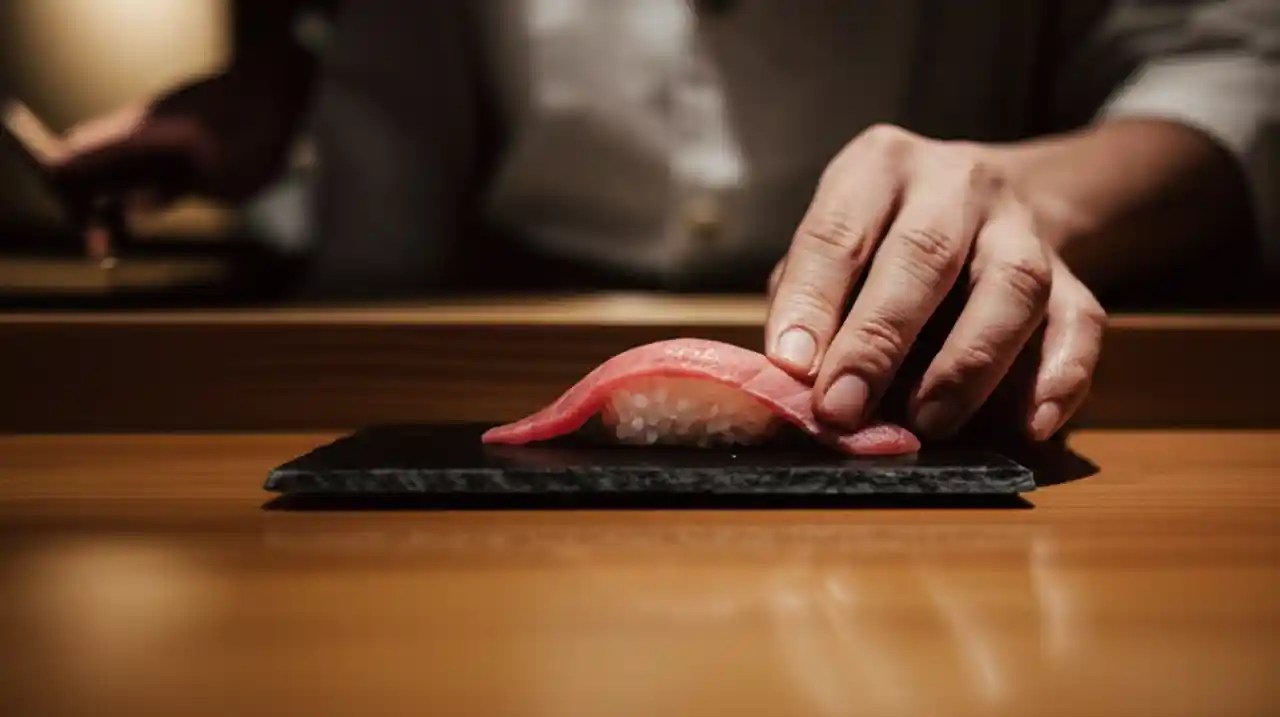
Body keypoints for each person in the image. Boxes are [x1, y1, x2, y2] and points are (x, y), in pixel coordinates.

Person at [50, 0, 1276, 441]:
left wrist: (1038, 193)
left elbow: (1232, 66)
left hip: (930, 361)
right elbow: (385, 186)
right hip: (500, 327)